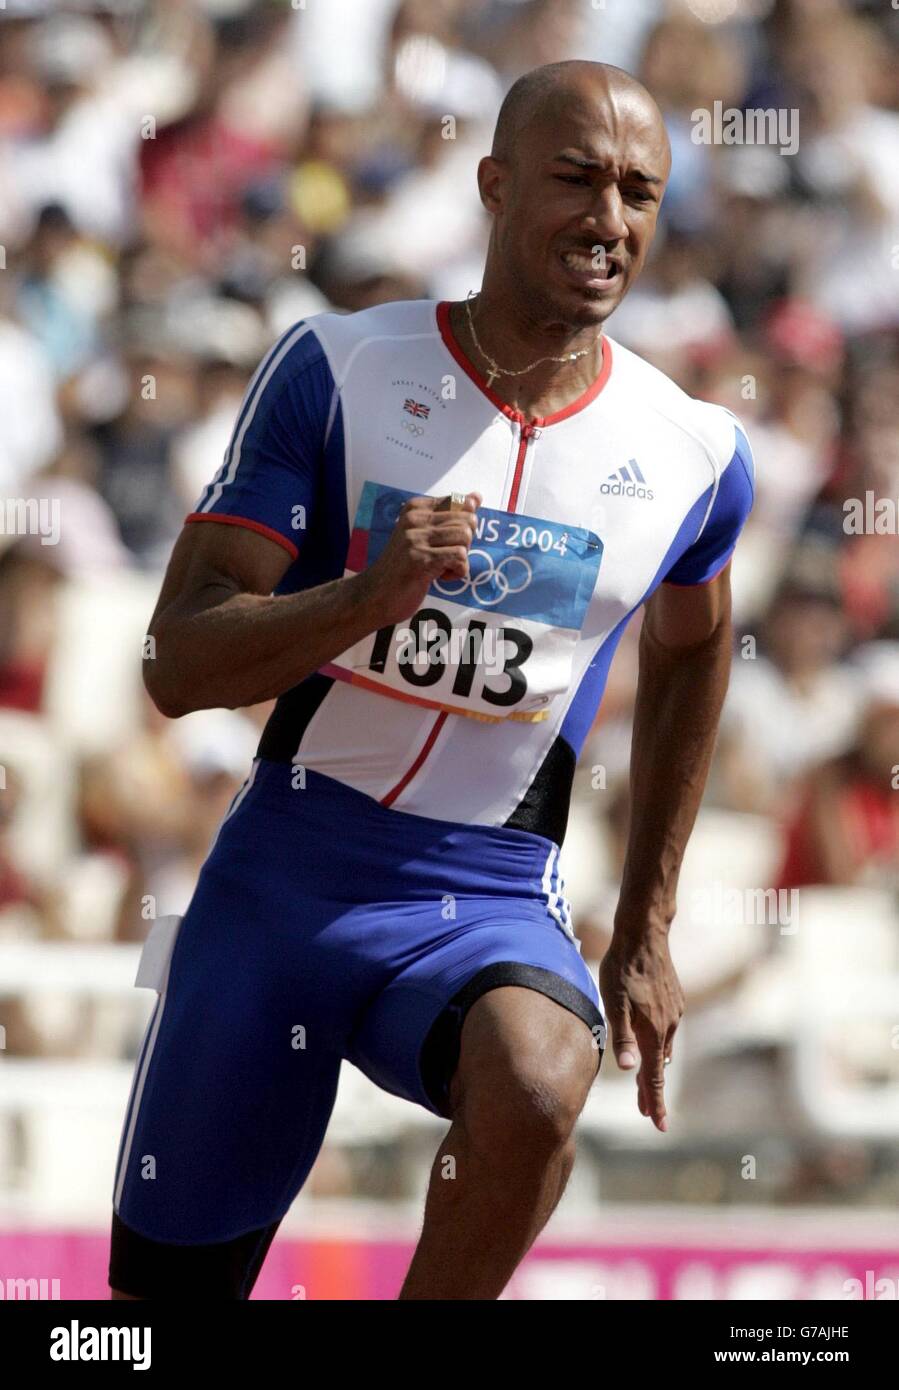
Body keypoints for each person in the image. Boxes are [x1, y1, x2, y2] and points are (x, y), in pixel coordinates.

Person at [109, 60, 754, 1301]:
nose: (607, 219)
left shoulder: (692, 452)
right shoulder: (336, 368)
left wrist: (649, 925)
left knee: (536, 1073)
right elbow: (172, 661)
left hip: (487, 885)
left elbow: (691, 644)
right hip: (284, 875)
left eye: (638, 192)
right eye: (573, 179)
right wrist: (361, 599)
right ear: (493, 185)